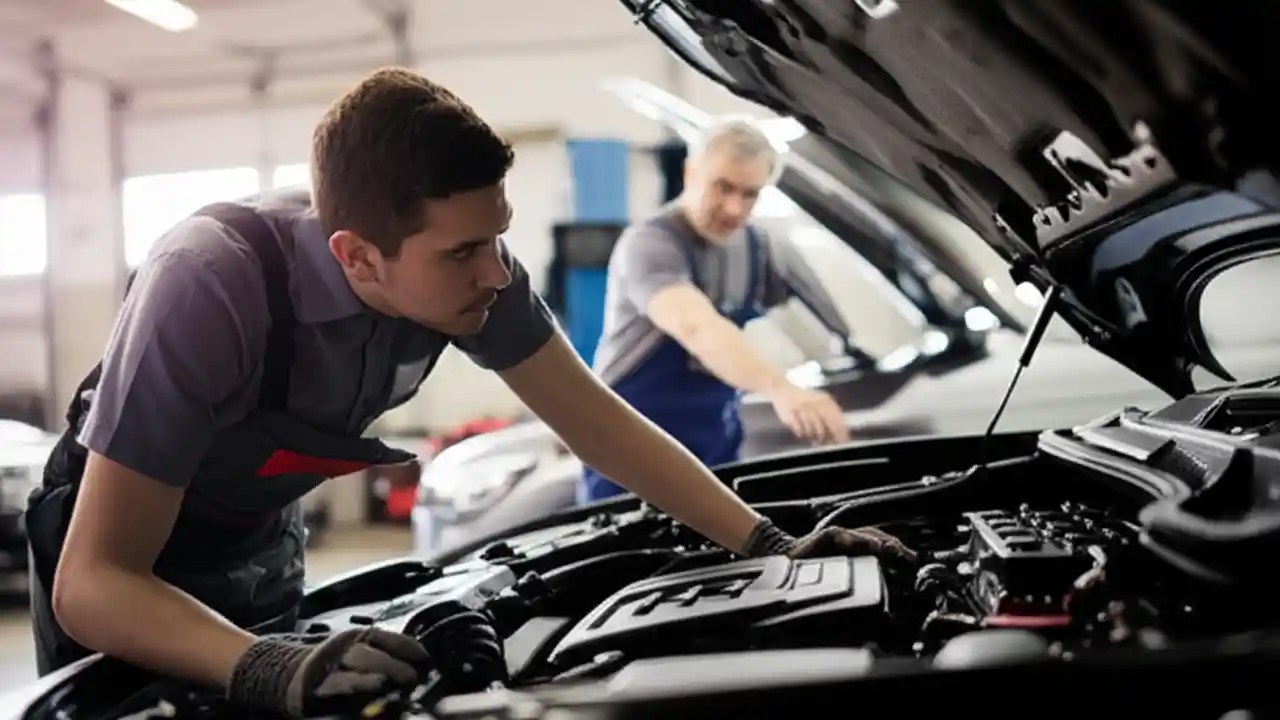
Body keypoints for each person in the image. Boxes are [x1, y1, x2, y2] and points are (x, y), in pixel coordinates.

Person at [25, 69, 911, 718]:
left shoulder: (475, 269)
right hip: (124, 549)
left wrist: (771, 541)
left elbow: (599, 423)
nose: (496, 274)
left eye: (499, 236)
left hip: (258, 533)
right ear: (356, 256)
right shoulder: (212, 283)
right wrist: (264, 666)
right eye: (461, 253)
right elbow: (97, 580)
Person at [581, 117, 850, 502]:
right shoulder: (650, 244)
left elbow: (807, 327)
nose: (734, 208)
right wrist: (780, 388)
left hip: (715, 445)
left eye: (750, 194)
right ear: (691, 173)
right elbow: (698, 328)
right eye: (722, 187)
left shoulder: (758, 247)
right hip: (630, 450)